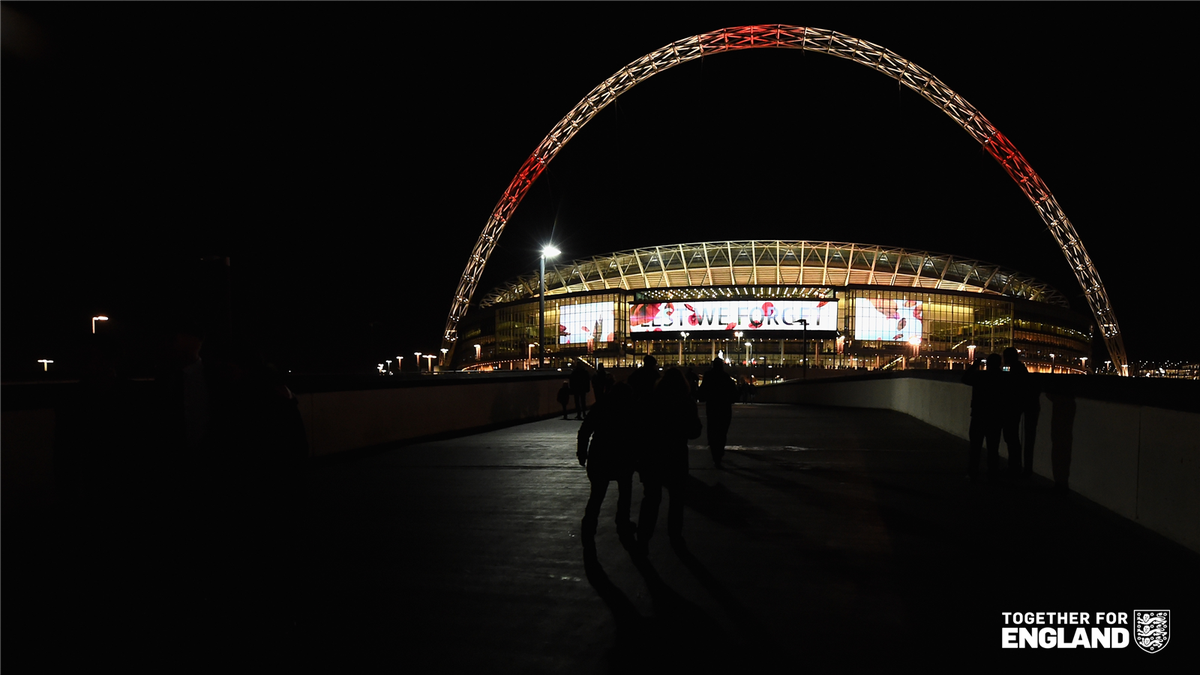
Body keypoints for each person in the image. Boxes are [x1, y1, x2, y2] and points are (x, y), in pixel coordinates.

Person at [636, 368, 701, 553]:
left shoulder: (650, 400)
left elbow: (639, 427)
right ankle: (675, 535)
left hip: (653, 454)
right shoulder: (685, 402)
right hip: (676, 455)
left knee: (651, 497)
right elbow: (694, 431)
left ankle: (643, 536)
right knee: (676, 498)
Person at [577, 383, 637, 551]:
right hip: (623, 455)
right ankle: (622, 521)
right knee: (625, 490)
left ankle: (589, 523)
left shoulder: (601, 406)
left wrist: (582, 453)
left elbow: (585, 431)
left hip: (600, 454)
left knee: (597, 494)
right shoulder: (630, 408)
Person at [963, 353, 1003, 483]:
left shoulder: (980, 376)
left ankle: (973, 472)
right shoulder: (1002, 378)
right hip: (995, 416)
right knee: (993, 448)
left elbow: (964, 378)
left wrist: (975, 365)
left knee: (975, 447)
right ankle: (992, 473)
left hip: (979, 414)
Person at [1003, 347, 1040, 477]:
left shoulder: (1016, 371)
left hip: (1016, 406)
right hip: (1022, 406)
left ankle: (1015, 466)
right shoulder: (1020, 369)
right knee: (1015, 436)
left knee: (1011, 435)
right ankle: (1018, 466)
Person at [699, 358, 738, 468]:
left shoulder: (708, 377)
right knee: (722, 431)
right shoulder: (726, 377)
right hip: (724, 408)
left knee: (712, 429)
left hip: (712, 407)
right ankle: (719, 451)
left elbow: (702, 392)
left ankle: (714, 452)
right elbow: (734, 394)